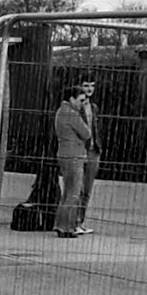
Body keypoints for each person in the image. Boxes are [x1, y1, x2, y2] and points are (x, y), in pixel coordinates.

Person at [52, 78, 100, 238]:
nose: (81, 103)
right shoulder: (71, 113)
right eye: (80, 100)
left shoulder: (61, 111)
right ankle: (68, 227)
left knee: (67, 193)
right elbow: (86, 133)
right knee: (74, 193)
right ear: (71, 99)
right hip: (74, 155)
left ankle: (60, 224)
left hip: (65, 154)